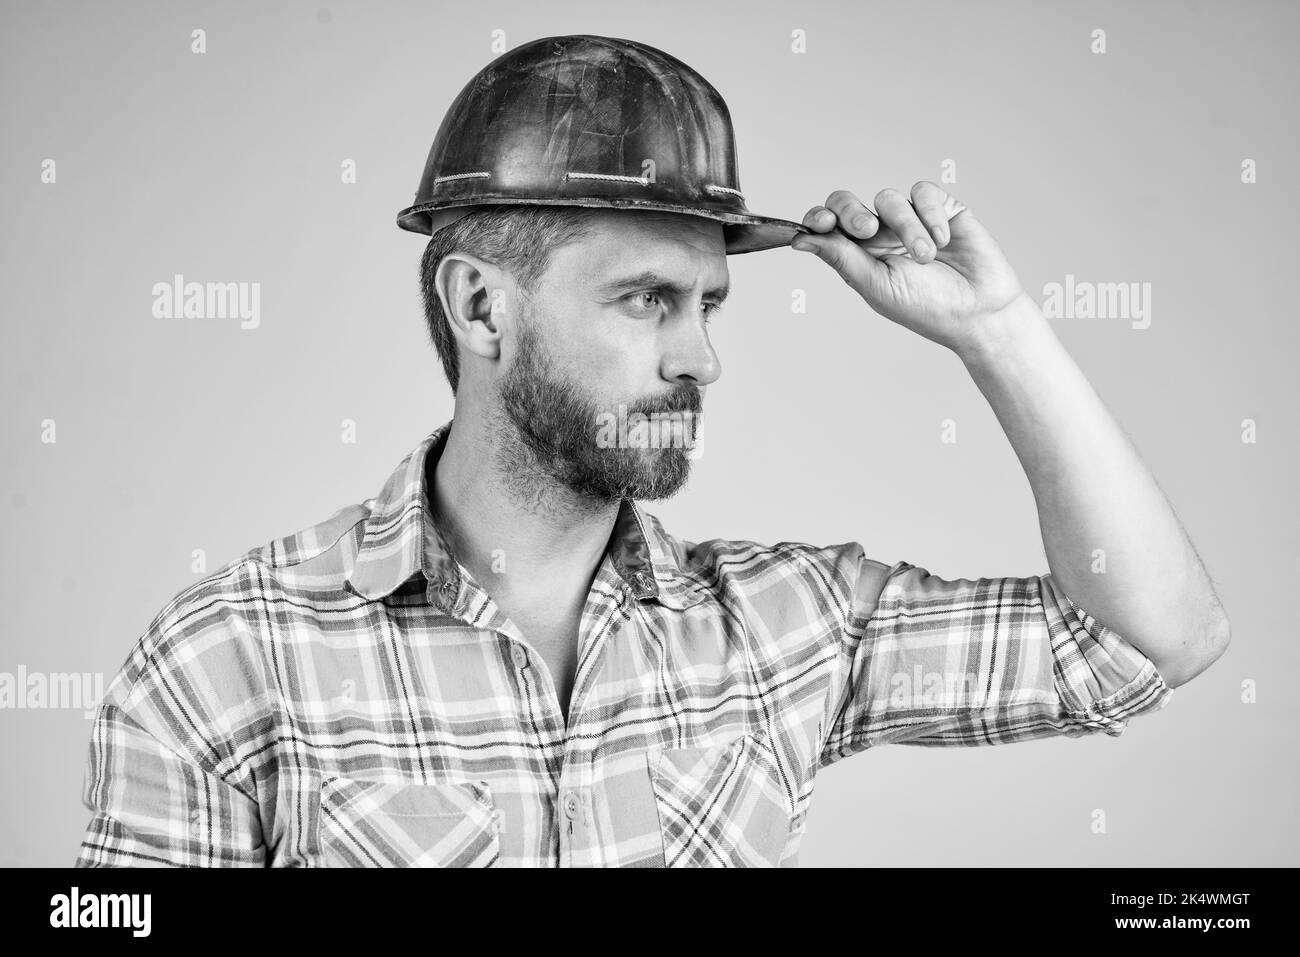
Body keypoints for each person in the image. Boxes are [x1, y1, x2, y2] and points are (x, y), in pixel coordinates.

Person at [75, 36, 1229, 868]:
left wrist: (997, 334)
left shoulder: (785, 630)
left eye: (709, 306)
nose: (700, 361)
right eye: (645, 301)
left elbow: (1146, 640)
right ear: (482, 309)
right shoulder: (226, 659)